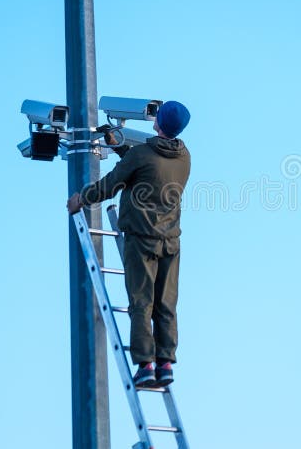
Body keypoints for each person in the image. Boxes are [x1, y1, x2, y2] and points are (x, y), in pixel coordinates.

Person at [67, 101, 191, 388]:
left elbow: (112, 183)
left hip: (141, 240)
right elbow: (143, 166)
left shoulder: (143, 155)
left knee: (141, 302)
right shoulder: (184, 157)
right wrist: (121, 147)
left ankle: (145, 365)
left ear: (158, 122)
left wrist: (81, 199)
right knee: (166, 304)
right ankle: (165, 363)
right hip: (171, 241)